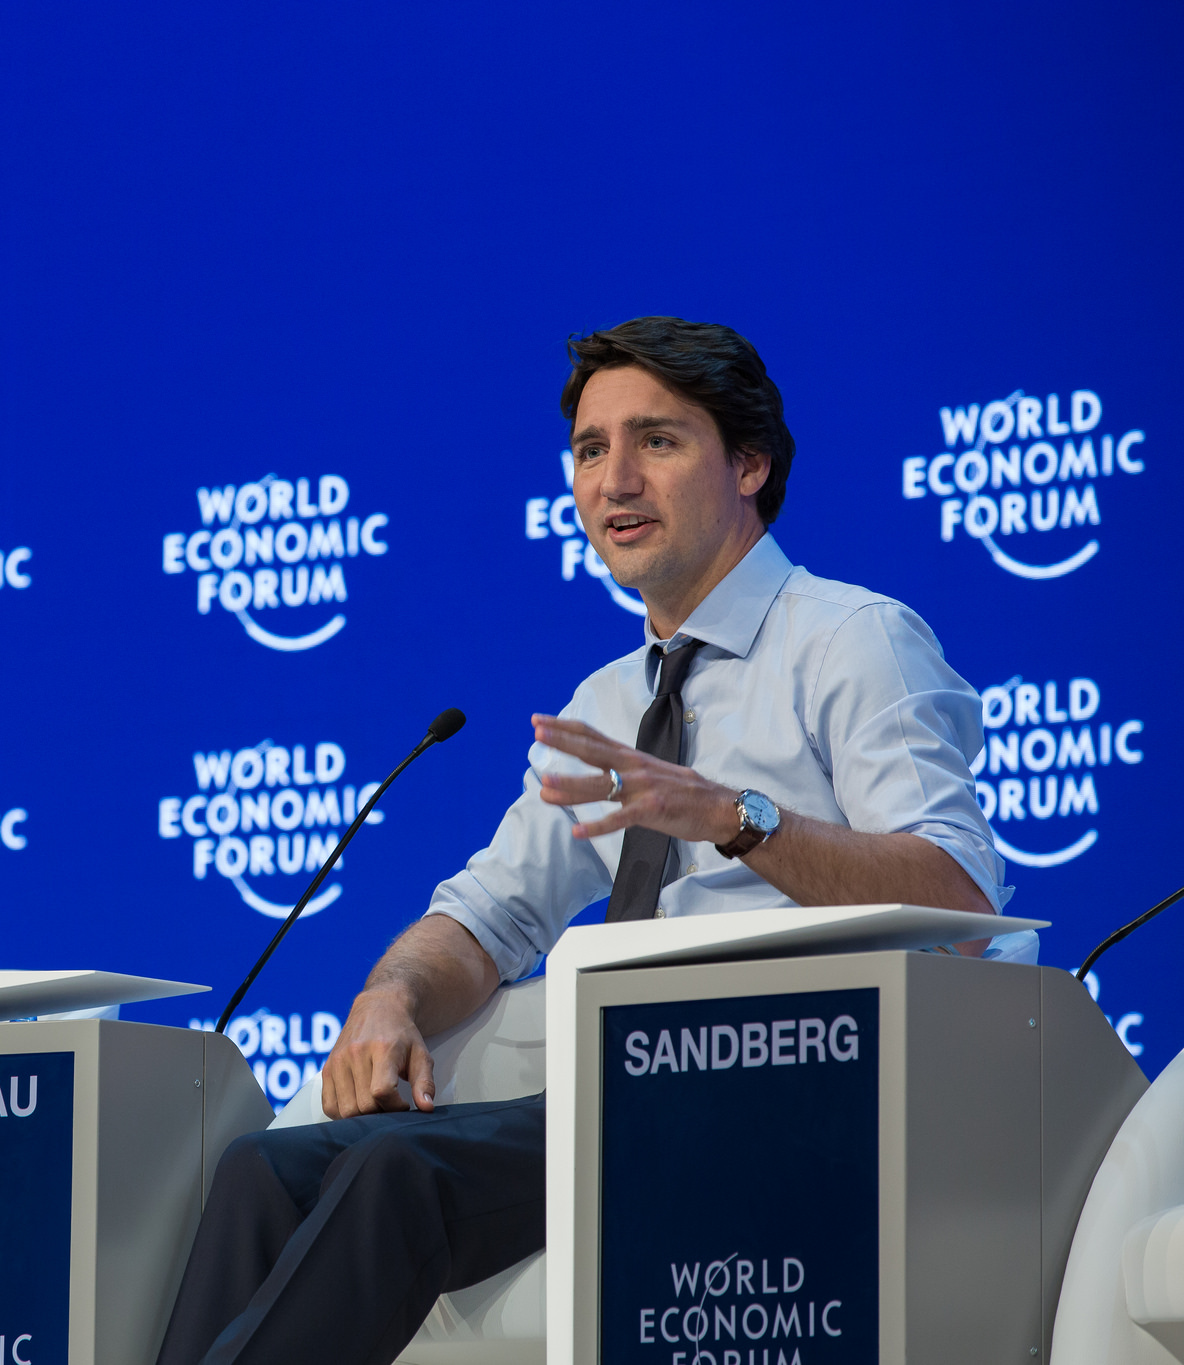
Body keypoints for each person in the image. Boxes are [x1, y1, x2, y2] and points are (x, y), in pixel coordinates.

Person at [155, 317, 1016, 1365]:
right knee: (262, 1168)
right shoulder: (607, 701)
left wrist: (732, 819)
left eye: (656, 441)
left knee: (394, 1176)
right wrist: (390, 997)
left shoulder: (850, 640)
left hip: (794, 1085)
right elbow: (486, 914)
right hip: (630, 1091)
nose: (614, 480)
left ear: (748, 464)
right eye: (589, 449)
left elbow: (962, 898)